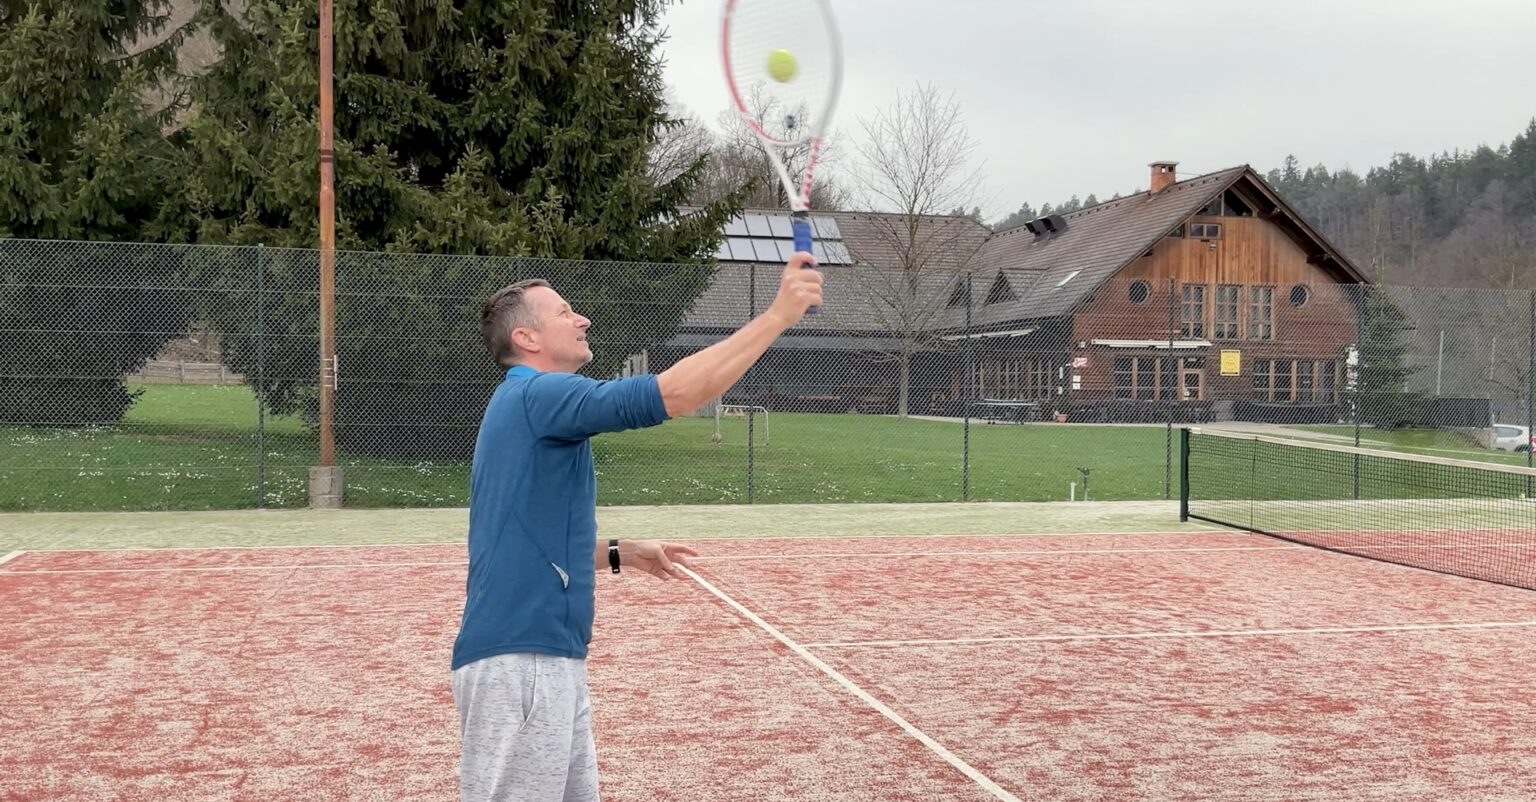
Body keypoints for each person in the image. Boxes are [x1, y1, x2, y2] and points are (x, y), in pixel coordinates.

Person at [452, 251, 824, 801]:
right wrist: (776, 316)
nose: (582, 320)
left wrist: (615, 551)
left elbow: (519, 536)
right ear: (528, 339)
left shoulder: (527, 406)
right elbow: (673, 394)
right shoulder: (536, 393)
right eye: (565, 312)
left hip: (541, 656)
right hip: (523, 659)